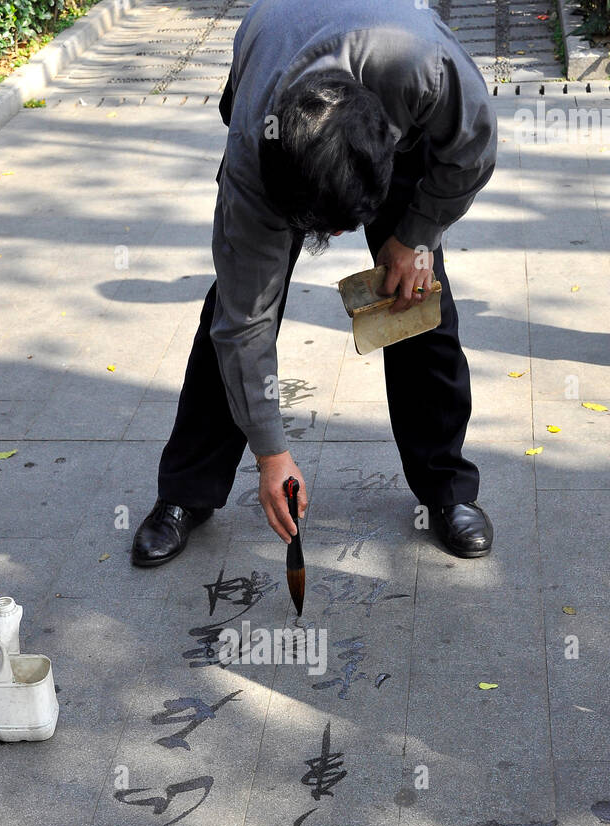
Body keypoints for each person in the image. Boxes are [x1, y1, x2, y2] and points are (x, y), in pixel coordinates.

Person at [132, 0, 497, 567]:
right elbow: (244, 324)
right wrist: (272, 456)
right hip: (276, 81)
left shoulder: (425, 65)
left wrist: (415, 236)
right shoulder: (257, 157)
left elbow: (473, 152)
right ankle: (187, 492)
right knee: (233, 313)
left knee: (415, 303)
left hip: (385, 101)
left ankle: (446, 492)